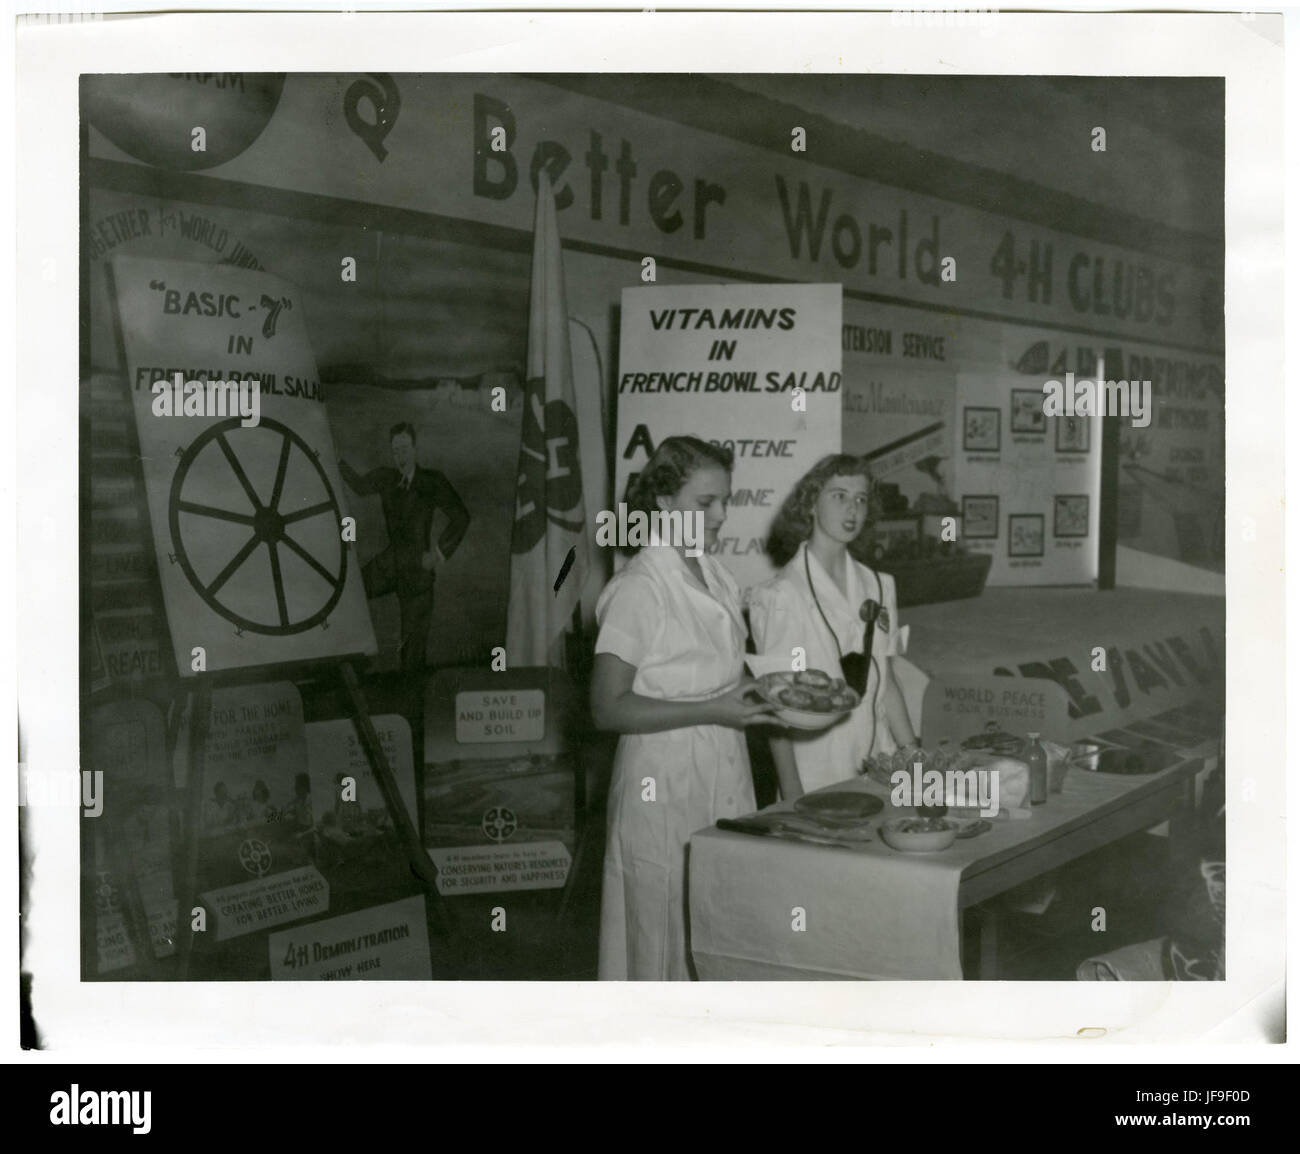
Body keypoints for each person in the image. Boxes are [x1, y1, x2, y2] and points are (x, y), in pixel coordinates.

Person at [591, 435, 777, 981]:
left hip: (723, 767)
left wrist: (775, 689)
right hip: (661, 781)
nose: (721, 515)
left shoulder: (715, 574)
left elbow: (717, 674)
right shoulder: (640, 588)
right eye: (706, 503)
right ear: (665, 504)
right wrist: (714, 710)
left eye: (725, 500)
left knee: (717, 932)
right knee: (661, 941)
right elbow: (606, 708)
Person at [748, 454, 917, 799]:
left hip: (879, 768)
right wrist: (792, 793)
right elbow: (774, 704)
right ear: (811, 503)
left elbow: (887, 681)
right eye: (839, 496)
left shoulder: (880, 584)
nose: (852, 509)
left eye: (860, 499)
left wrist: (914, 756)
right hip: (816, 774)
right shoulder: (781, 595)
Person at [340, 422, 471, 672]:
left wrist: (439, 554)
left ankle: (411, 701)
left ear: (415, 449)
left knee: (412, 656)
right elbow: (358, 485)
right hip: (389, 565)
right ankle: (352, 662)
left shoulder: (432, 481)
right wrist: (336, 461)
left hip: (418, 576)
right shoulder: (386, 478)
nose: (400, 455)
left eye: (404, 449)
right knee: (349, 593)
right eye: (395, 449)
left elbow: (461, 517)